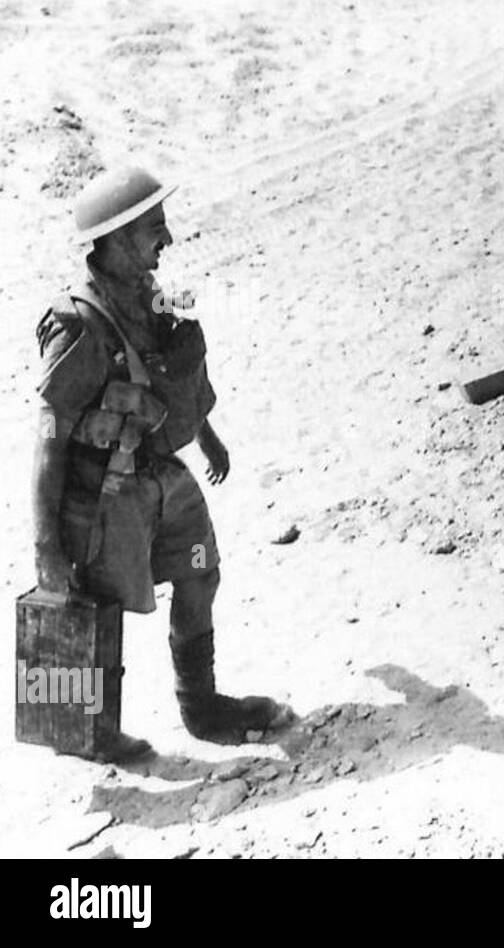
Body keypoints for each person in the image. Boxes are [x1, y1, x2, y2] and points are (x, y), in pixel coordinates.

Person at [32, 165, 293, 761]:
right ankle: (91, 734)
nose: (167, 241)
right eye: (155, 229)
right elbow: (48, 436)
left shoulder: (150, 301)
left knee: (201, 571)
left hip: (164, 478)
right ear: (117, 238)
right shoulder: (78, 325)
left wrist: (206, 436)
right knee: (96, 609)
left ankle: (200, 706)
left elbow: (170, 376)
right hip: (104, 495)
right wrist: (46, 543)